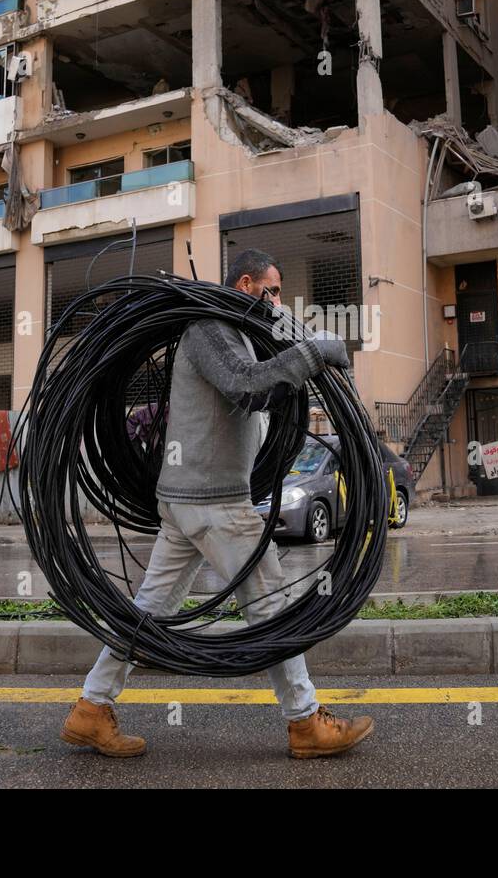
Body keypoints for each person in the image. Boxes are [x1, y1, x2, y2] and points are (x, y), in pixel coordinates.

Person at [60, 248, 375, 760]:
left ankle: (91, 709)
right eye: (271, 291)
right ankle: (304, 720)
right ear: (246, 283)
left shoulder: (235, 334)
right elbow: (246, 387)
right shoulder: (210, 327)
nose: (276, 302)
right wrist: (314, 352)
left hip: (196, 501)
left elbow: (261, 393)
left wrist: (296, 365)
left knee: (151, 609)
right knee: (271, 605)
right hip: (214, 502)